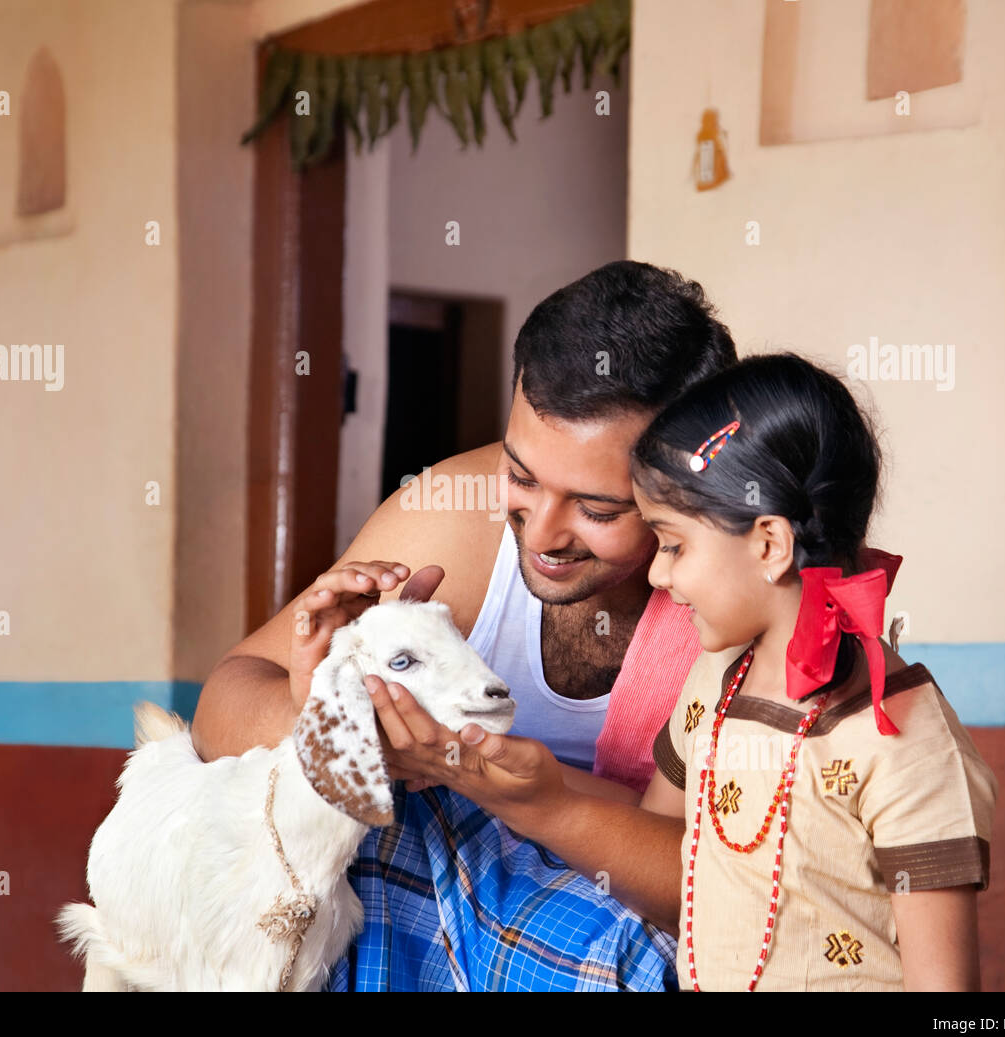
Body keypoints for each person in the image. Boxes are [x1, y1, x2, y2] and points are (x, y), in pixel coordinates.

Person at [191, 260, 736, 990]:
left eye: (598, 510)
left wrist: (498, 782)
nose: (541, 533)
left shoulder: (731, 592)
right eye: (521, 475)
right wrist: (328, 707)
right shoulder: (453, 515)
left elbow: (725, 877)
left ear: (690, 488)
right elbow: (220, 707)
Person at [628, 353, 998, 990]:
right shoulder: (713, 678)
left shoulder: (902, 738)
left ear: (770, 544)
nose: (658, 576)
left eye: (674, 545)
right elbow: (657, 842)